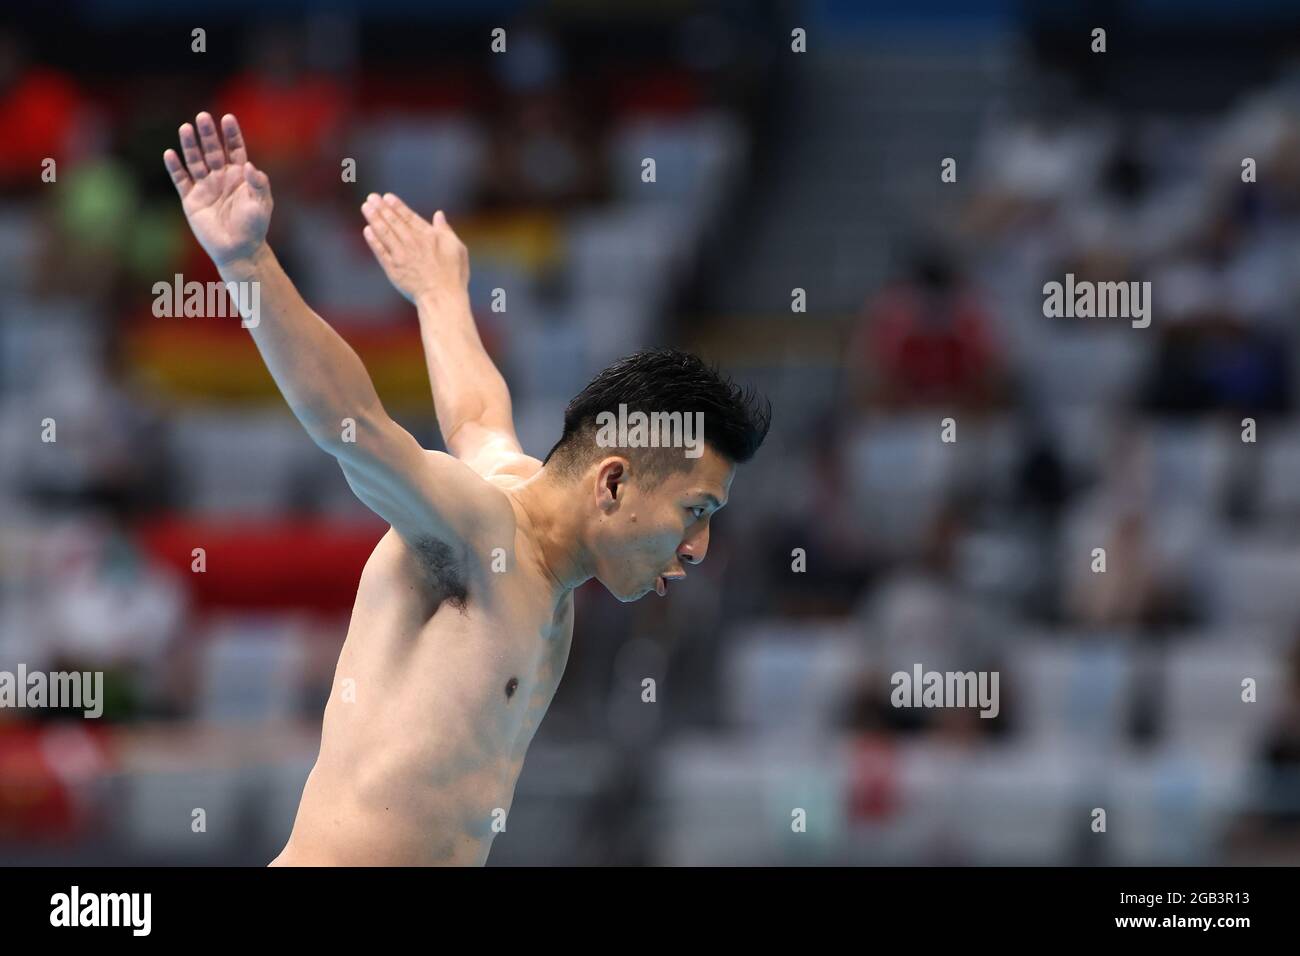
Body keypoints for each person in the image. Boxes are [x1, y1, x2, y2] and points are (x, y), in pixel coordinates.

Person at [162, 112, 770, 865]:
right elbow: (351, 422)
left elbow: (479, 415)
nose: (699, 546)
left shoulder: (541, 565)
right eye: (695, 511)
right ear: (613, 483)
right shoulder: (480, 536)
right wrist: (246, 262)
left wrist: (439, 291)